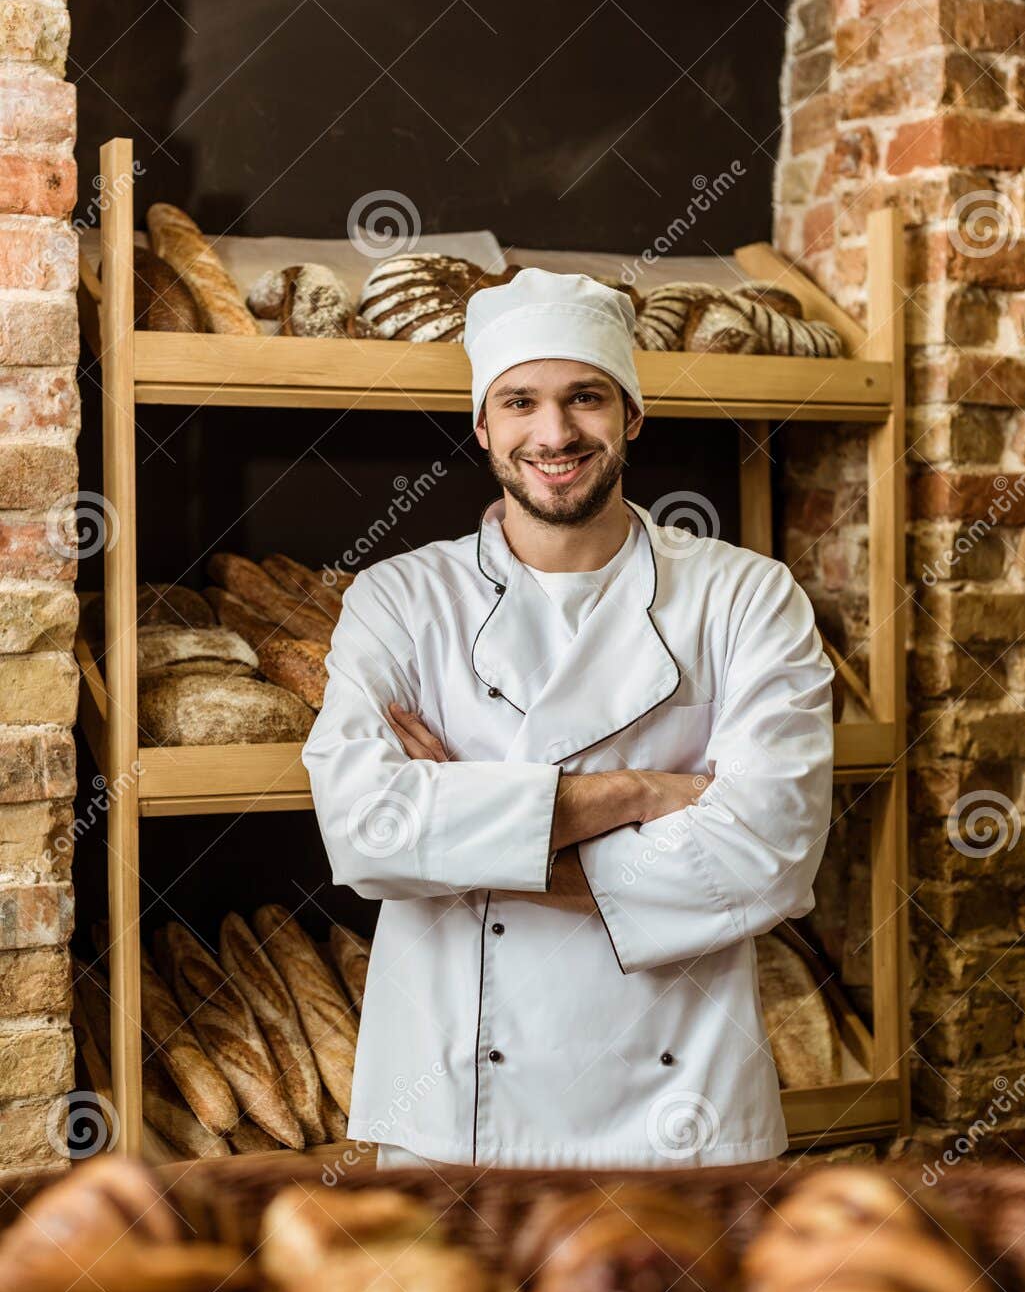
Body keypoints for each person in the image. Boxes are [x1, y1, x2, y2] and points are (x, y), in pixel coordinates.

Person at [302, 268, 834, 1171]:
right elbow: (366, 831)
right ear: (482, 424)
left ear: (630, 414)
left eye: (584, 397)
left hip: (684, 1106)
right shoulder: (399, 598)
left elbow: (769, 854)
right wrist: (643, 791)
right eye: (520, 402)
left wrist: (470, 828)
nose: (554, 435)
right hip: (455, 1107)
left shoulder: (745, 595)